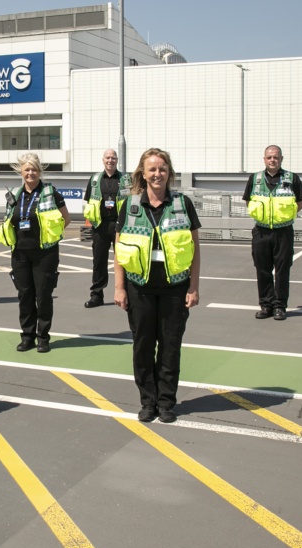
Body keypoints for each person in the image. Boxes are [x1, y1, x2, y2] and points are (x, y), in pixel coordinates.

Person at [113, 148, 201, 424]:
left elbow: (196, 249)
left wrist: (193, 287)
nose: (157, 174)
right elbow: (117, 249)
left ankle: (166, 402)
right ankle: (147, 401)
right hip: (139, 288)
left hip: (175, 288)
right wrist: (119, 287)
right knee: (142, 346)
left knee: (170, 346)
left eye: (162, 169)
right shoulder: (129, 206)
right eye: (152, 169)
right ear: (142, 173)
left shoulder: (182, 204)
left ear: (169, 173)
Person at [0, 153, 70, 353]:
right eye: (27, 169)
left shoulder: (50, 192)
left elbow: (66, 219)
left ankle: (43, 337)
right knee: (25, 296)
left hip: (45, 253)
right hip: (19, 253)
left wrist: (51, 235)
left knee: (43, 296)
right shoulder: (14, 194)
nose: (30, 173)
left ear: (40, 172)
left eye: (34, 169)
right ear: (21, 171)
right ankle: (27, 336)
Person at [242, 145, 302, 320]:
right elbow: (249, 202)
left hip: (283, 232)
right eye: (269, 157)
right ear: (264, 159)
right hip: (261, 232)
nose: (272, 160)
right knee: (262, 269)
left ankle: (280, 306)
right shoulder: (254, 179)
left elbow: (300, 203)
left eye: (276, 157)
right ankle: (266, 305)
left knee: (282, 270)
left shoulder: (292, 178)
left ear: (281, 159)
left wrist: (282, 217)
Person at [82, 148, 130, 308]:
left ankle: (127, 293)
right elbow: (89, 201)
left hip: (120, 226)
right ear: (103, 160)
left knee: (124, 260)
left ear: (117, 160)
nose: (110, 160)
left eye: (113, 158)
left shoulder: (126, 179)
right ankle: (97, 295)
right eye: (108, 158)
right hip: (100, 225)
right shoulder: (95, 179)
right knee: (99, 262)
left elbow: (133, 200)